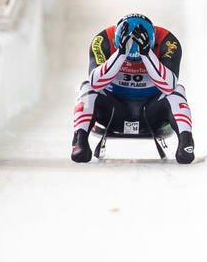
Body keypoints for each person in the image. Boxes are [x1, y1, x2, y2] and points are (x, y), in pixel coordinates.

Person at [71, 13, 194, 165]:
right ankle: (79, 141)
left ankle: (186, 142)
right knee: (87, 88)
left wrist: (147, 55)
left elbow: (169, 85)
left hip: (151, 111)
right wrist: (120, 55)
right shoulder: (102, 41)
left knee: (177, 91)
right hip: (114, 109)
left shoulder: (168, 42)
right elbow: (95, 82)